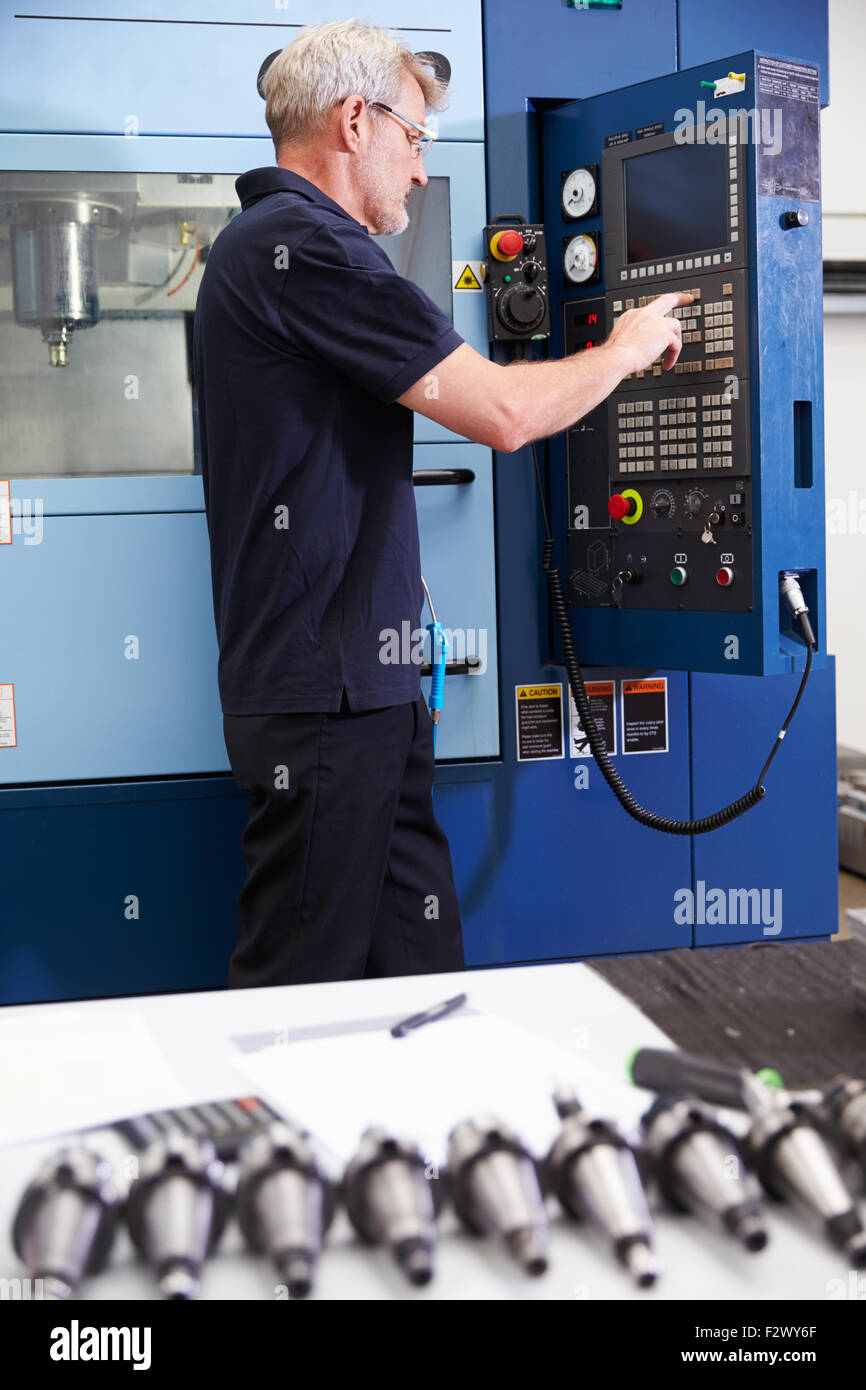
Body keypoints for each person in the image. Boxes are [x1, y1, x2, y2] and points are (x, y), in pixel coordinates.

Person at [193, 18, 688, 989]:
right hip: (325, 701)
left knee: (415, 971)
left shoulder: (258, 248)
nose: (420, 172)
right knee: (298, 990)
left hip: (356, 698)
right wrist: (623, 349)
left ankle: (418, 1148)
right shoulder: (309, 249)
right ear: (352, 121)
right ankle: (264, 1141)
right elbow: (501, 414)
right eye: (414, 139)